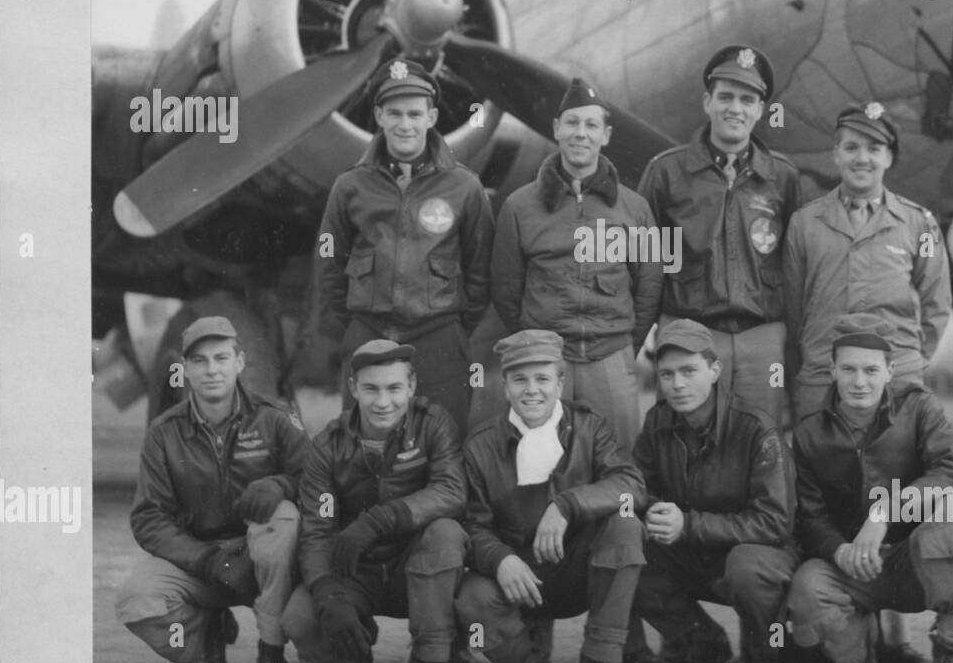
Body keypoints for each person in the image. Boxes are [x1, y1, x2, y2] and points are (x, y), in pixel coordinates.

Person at [784, 101, 952, 663]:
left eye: (874, 147)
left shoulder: (919, 225)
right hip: (821, 378)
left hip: (895, 377)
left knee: (894, 493)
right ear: (835, 154)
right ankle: (830, 627)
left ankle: (898, 633)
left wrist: (905, 368)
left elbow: (936, 305)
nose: (861, 157)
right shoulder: (806, 224)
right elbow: (794, 303)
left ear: (889, 157)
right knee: (825, 498)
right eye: (851, 146)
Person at [786, 314, 953, 663]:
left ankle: (947, 657)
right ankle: (860, 654)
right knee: (809, 588)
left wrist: (886, 510)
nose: (860, 382)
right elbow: (811, 518)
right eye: (849, 369)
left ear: (890, 370)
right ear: (832, 370)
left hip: (918, 559)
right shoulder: (809, 434)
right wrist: (839, 551)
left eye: (871, 370)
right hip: (858, 566)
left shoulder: (920, 408)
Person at [116, 316, 309, 663]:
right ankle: (208, 635)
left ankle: (271, 653)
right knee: (137, 600)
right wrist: (206, 560)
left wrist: (281, 483)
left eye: (221, 358)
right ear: (185, 369)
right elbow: (148, 517)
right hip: (201, 561)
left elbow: (318, 480)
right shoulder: (164, 433)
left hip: (265, 559)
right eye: (200, 361)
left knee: (283, 519)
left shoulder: (276, 417)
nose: (211, 370)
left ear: (239, 362)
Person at [455, 330, 647, 663]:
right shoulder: (480, 446)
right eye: (520, 380)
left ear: (560, 382)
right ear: (506, 386)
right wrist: (500, 559)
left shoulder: (591, 427)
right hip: (519, 578)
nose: (532, 390)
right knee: (472, 598)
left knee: (625, 526)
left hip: (578, 569)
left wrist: (567, 505)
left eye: (543, 378)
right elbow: (471, 525)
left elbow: (630, 485)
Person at [281, 340, 470, 663]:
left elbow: (451, 491)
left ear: (412, 387)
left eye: (394, 388)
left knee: (446, 533)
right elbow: (318, 528)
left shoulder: (434, 425)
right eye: (371, 389)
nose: (383, 402)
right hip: (358, 569)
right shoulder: (328, 445)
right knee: (300, 619)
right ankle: (352, 659)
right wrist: (328, 592)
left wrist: (381, 520)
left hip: (415, 564)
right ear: (352, 389)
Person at [317, 55, 494, 434]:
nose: (405, 125)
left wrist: (455, 327)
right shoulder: (349, 187)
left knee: (445, 444)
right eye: (394, 114)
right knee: (364, 449)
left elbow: (482, 267)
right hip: (369, 332)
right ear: (379, 116)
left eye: (415, 114)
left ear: (432, 117)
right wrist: (357, 325)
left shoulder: (464, 186)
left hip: (439, 336)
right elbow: (329, 262)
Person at [490, 77, 662, 452]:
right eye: (571, 123)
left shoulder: (636, 209)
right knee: (544, 464)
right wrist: (538, 345)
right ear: (556, 129)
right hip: (546, 363)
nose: (580, 134)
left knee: (618, 465)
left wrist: (623, 350)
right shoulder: (519, 207)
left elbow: (650, 284)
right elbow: (504, 287)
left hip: (612, 360)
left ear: (606, 134)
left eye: (591, 125)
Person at [636, 45, 801, 428]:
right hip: (689, 332)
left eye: (747, 99)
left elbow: (795, 267)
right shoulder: (665, 173)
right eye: (725, 97)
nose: (735, 108)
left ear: (760, 110)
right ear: (707, 101)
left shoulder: (783, 177)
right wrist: (643, 337)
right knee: (685, 443)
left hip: (762, 338)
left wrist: (791, 347)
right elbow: (643, 264)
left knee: (762, 441)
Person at [631, 319, 799, 663]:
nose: (678, 384)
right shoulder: (657, 421)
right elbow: (638, 487)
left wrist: (687, 524)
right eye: (667, 374)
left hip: (756, 553)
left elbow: (775, 522)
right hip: (691, 549)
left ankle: (768, 654)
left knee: (748, 567)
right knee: (624, 542)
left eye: (689, 371)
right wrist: (653, 511)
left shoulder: (756, 429)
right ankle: (698, 641)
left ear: (715, 370)